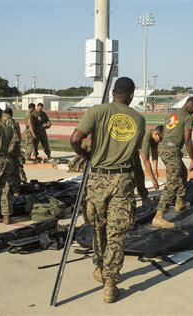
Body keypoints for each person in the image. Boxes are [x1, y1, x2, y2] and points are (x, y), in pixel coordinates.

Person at [70, 77, 145, 303]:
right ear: (132, 95)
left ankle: (100, 268)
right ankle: (110, 283)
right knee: (116, 232)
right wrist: (142, 190)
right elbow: (137, 160)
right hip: (122, 180)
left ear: (113, 92)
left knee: (98, 227)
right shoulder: (139, 120)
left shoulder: (97, 111)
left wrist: (87, 156)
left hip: (97, 179)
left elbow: (75, 139)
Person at [152, 97, 193, 229]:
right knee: (172, 182)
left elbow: (165, 133)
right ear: (192, 106)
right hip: (172, 149)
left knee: (182, 172)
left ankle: (179, 203)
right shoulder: (188, 117)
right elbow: (188, 139)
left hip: (163, 147)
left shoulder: (171, 114)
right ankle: (159, 216)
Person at [133, 125, 163, 206]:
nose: (160, 141)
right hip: (128, 153)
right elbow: (145, 159)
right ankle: (130, 200)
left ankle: (144, 198)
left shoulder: (154, 139)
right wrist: (153, 179)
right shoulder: (146, 136)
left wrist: (155, 171)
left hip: (134, 153)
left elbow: (154, 154)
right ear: (156, 134)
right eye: (160, 139)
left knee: (139, 174)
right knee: (133, 176)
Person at [2, 107, 23, 196]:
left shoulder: (6, 121)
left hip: (10, 149)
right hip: (14, 149)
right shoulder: (15, 122)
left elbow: (16, 138)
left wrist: (9, 150)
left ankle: (12, 191)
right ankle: (16, 190)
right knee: (15, 169)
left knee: (10, 170)